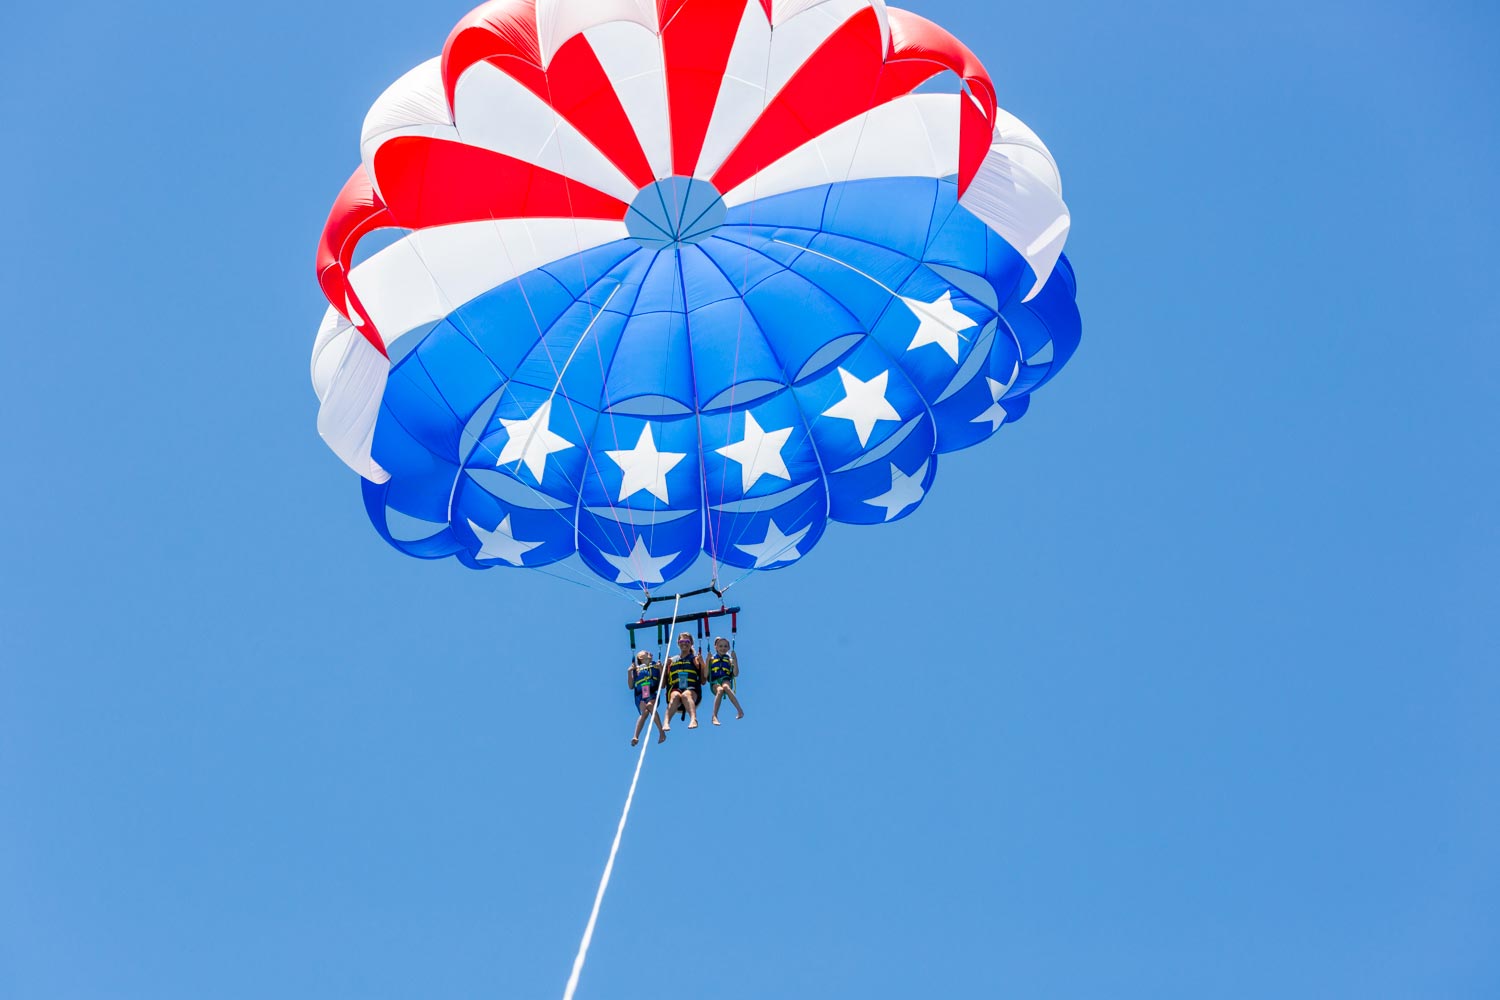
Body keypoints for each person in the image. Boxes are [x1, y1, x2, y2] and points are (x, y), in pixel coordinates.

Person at [662, 632, 703, 731]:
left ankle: (693, 719)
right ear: (678, 643)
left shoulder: (695, 659)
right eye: (681, 641)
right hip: (675, 688)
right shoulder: (671, 660)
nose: (684, 643)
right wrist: (663, 667)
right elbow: (663, 684)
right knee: (675, 695)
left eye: (687, 641)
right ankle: (666, 722)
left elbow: (703, 680)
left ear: (691, 643)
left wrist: (702, 663)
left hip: (691, 689)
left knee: (686, 695)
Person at [628, 650, 667, 746]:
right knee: (644, 713)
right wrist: (629, 672)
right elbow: (631, 686)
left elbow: (662, 685)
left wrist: (661, 669)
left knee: (650, 705)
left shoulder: (656, 666)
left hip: (651, 693)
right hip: (641, 694)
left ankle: (661, 732)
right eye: (646, 652)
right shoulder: (636, 670)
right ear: (640, 658)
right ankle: (636, 736)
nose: (650, 652)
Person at [706, 636, 744, 726]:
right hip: (714, 681)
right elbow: (705, 675)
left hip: (725, 679)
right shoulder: (711, 659)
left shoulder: (730, 659)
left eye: (725, 646)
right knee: (720, 690)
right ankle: (714, 716)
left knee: (726, 687)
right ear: (716, 647)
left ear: (729, 648)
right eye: (721, 646)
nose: (723, 648)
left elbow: (736, 674)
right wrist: (707, 661)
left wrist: (735, 659)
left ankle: (739, 710)